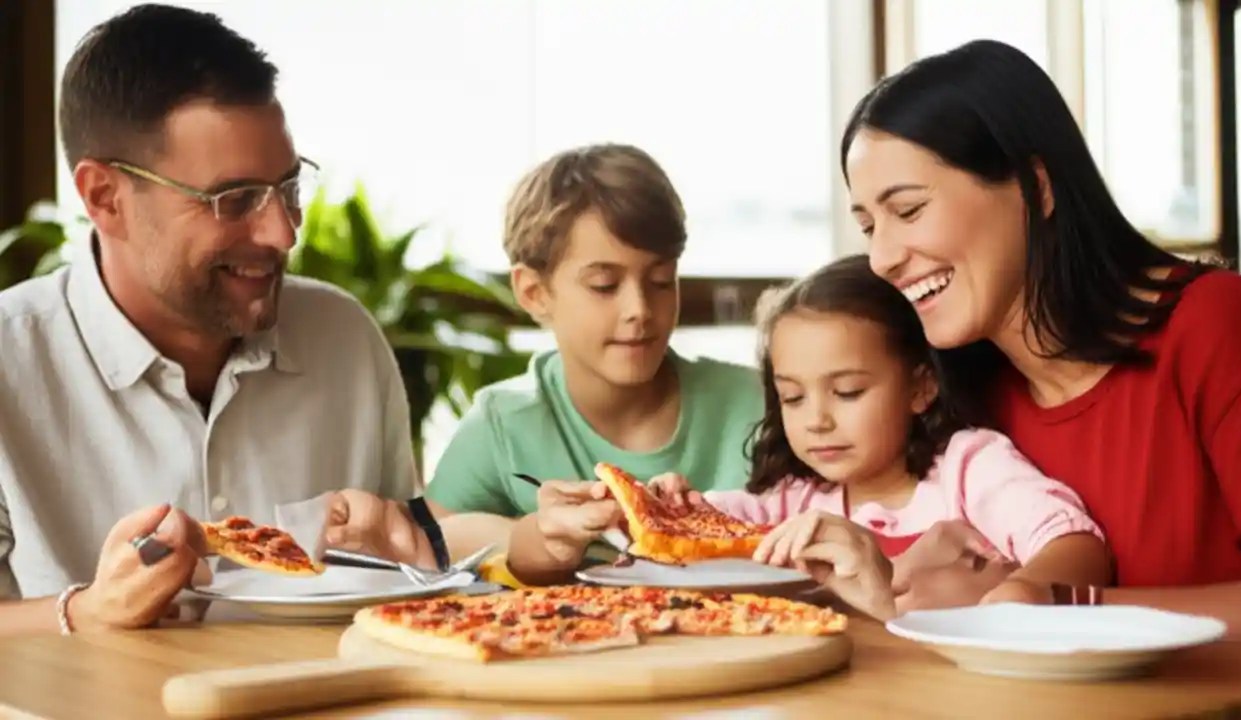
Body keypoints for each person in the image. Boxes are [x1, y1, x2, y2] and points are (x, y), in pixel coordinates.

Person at [0, 4, 501, 637]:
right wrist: (84, 612)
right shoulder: (11, 360)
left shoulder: (344, 340)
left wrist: (409, 556)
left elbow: (407, 585)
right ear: (104, 197)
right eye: (232, 200)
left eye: (288, 189)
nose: (282, 232)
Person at [840, 39, 1241, 640]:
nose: (882, 258)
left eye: (909, 211)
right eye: (868, 226)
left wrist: (1060, 606)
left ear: (1034, 187)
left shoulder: (1221, 325)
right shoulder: (967, 402)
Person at [636, 254, 1110, 619]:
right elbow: (689, 536)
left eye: (847, 391)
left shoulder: (970, 468)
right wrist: (662, 506)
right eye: (793, 398)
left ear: (920, 387)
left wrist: (1014, 598)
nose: (817, 420)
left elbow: (1074, 545)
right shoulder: (794, 504)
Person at [418, 143, 762, 583]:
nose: (639, 308)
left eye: (660, 281)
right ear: (534, 293)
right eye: (604, 285)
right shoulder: (502, 425)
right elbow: (432, 544)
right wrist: (531, 538)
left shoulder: (757, 404)